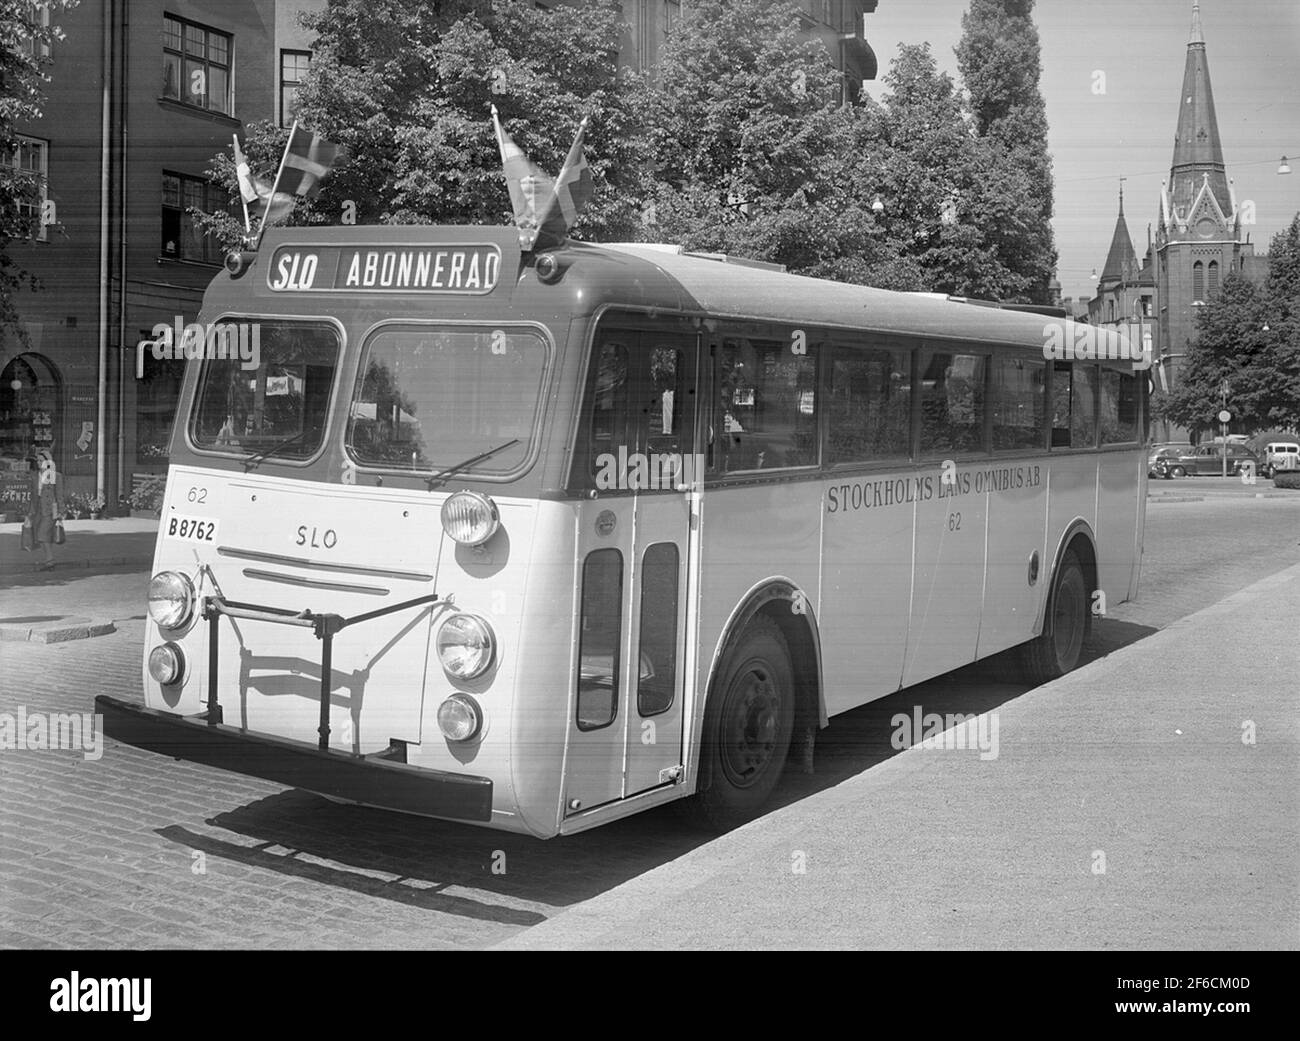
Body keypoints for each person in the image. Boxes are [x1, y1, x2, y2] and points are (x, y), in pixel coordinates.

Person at [26, 449, 64, 571]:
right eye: (37, 460)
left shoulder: (55, 476)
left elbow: (59, 495)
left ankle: (50, 561)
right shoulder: (36, 476)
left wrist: (61, 511)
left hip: (50, 510)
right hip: (38, 510)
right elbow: (34, 496)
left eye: (41, 460)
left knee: (42, 534)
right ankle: (49, 561)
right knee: (42, 535)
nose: (38, 463)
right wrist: (30, 512)